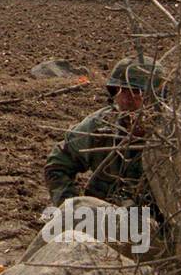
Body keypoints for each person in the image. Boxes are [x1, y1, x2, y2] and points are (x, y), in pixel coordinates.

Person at [44, 55, 164, 209]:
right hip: (106, 220)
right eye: (121, 91)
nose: (126, 99)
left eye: (136, 92)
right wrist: (71, 208)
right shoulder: (100, 127)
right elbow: (58, 164)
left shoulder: (174, 137)